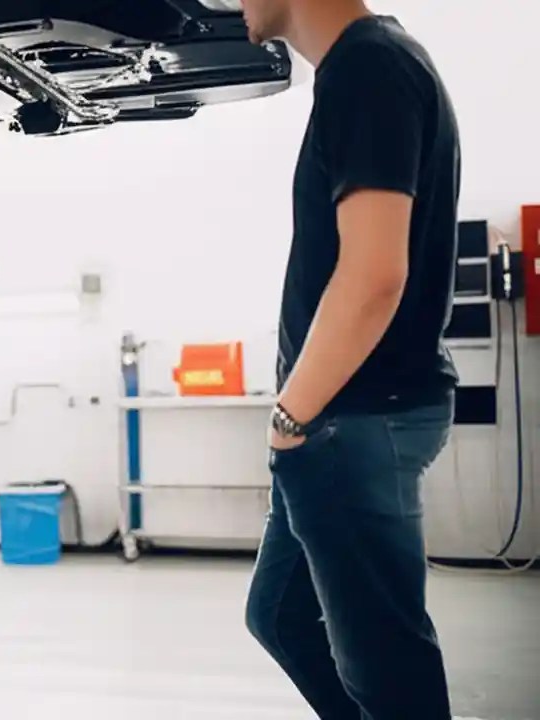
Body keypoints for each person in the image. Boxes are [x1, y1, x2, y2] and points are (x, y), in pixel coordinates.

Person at [239, 1, 462, 718]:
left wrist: (289, 417)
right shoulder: (363, 66)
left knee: (390, 679)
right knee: (278, 615)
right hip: (339, 426)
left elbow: (373, 275)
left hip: (350, 423)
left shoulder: (369, 66)